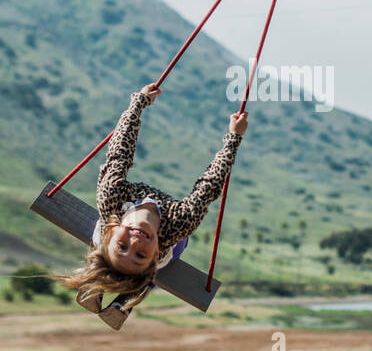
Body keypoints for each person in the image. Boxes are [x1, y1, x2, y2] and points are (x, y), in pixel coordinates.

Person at [62, 84, 247, 315]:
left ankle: (99, 284)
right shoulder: (181, 224)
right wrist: (233, 138)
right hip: (166, 241)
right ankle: (125, 300)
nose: (136, 243)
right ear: (154, 255)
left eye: (123, 246)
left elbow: (120, 151)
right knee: (157, 265)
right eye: (140, 254)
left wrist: (138, 103)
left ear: (114, 234)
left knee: (104, 245)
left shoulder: (111, 198)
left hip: (111, 223)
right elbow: (209, 186)